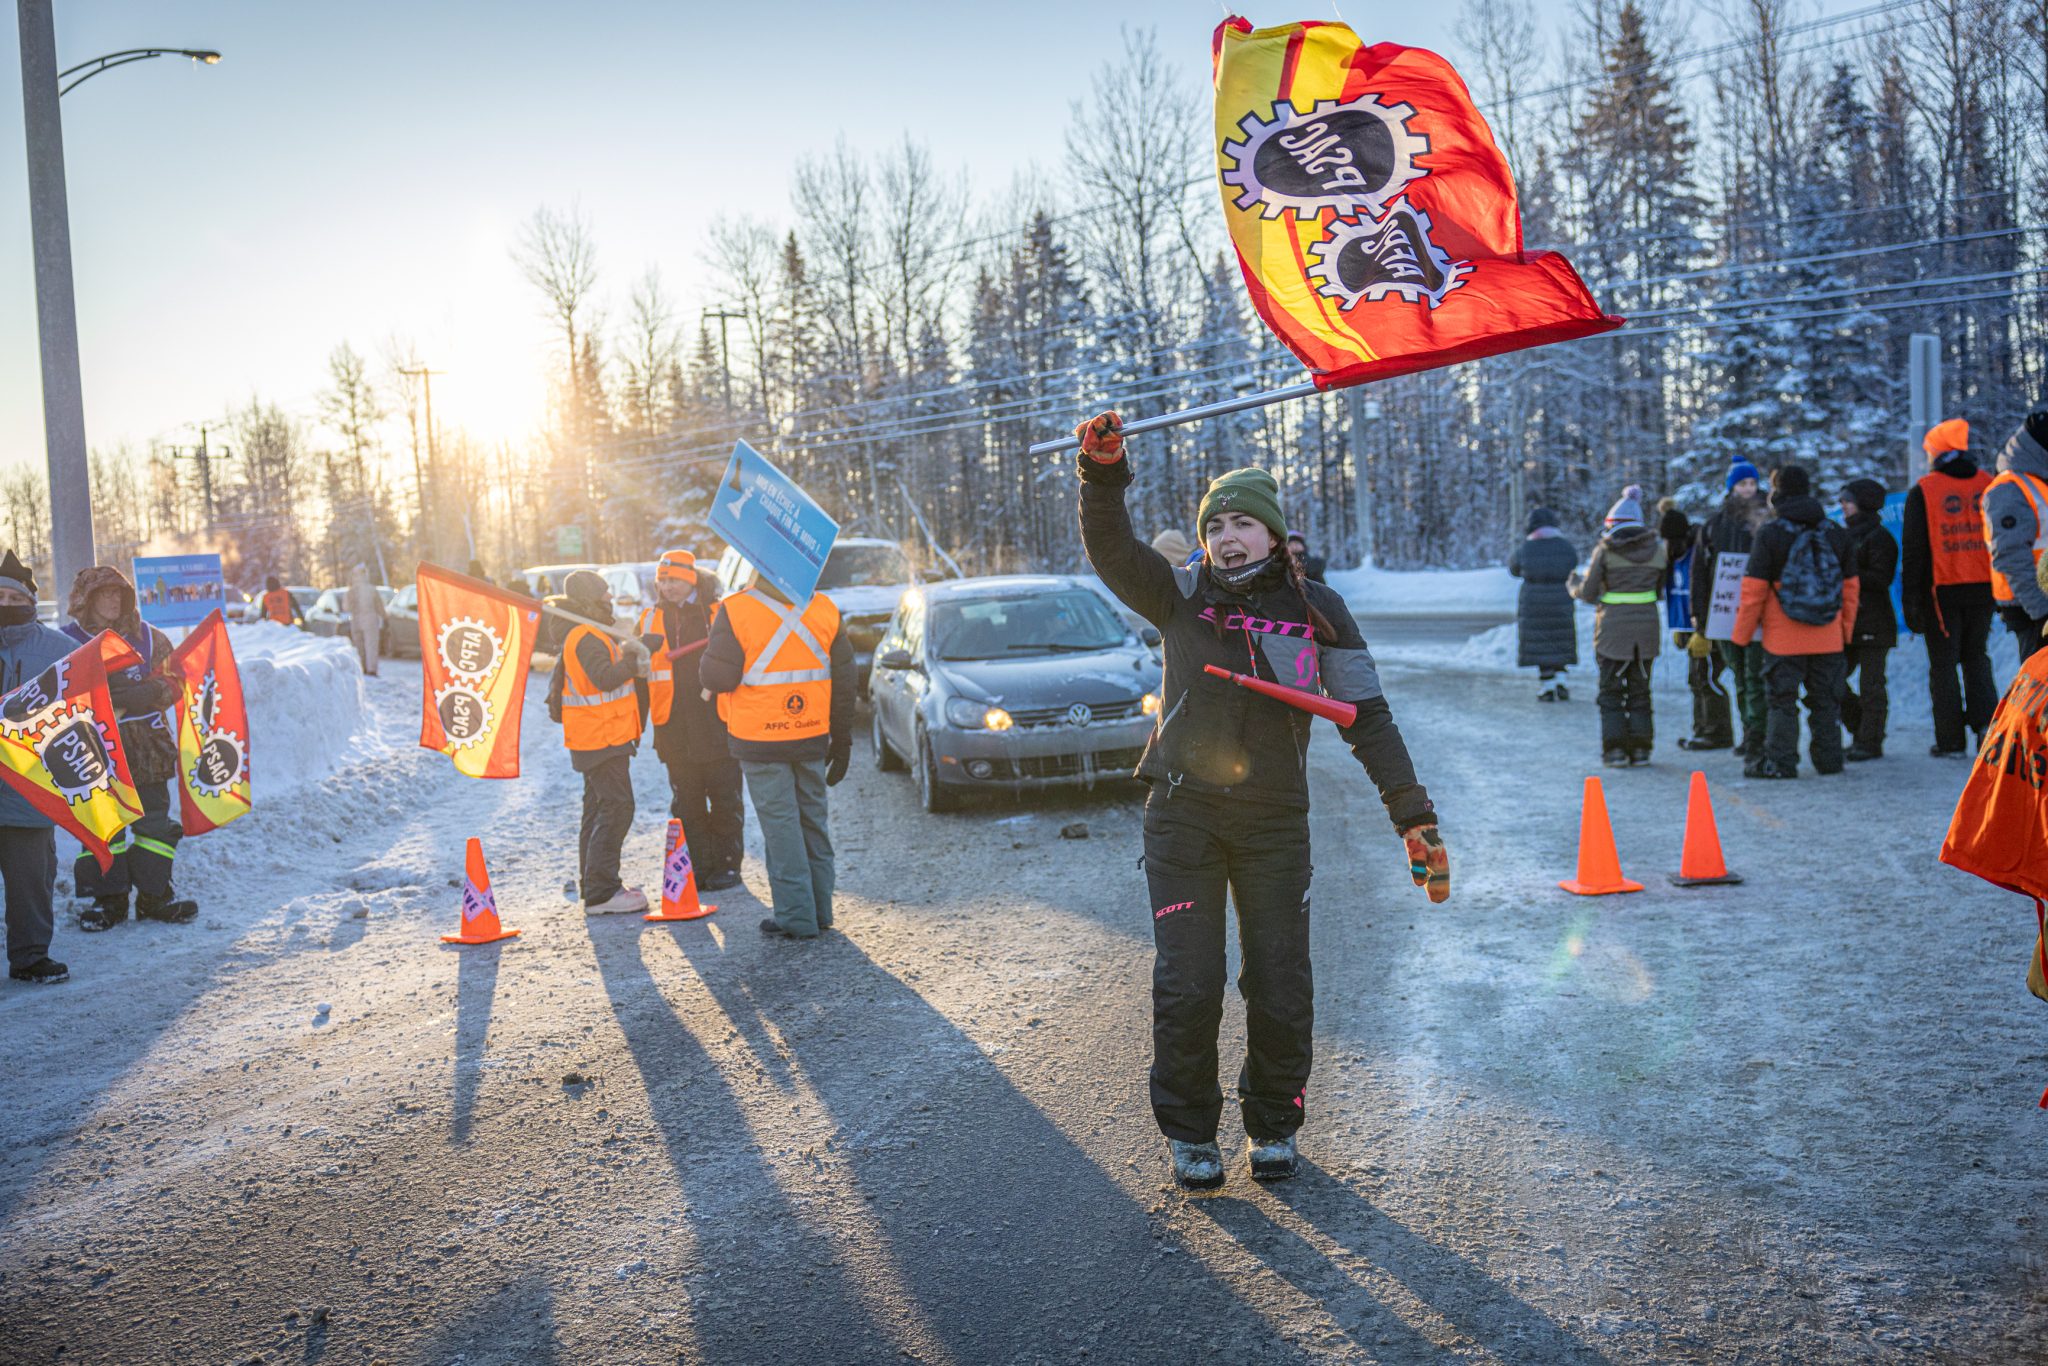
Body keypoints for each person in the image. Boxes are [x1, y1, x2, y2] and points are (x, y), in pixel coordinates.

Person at [1073, 411, 1446, 1189]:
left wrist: (1412, 814)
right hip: (1182, 814)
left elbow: (1367, 717)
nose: (1229, 536)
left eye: (1245, 522)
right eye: (1217, 524)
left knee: (1279, 978)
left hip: (1275, 820)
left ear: (1275, 536)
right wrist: (1103, 475)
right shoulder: (1179, 593)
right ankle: (1190, 1133)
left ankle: (1273, 1124)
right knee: (1189, 979)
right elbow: (1111, 548)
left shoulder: (1317, 611)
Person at [700, 569, 854, 940]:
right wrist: (843, 738)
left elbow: (718, 679)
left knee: (781, 827)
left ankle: (796, 917)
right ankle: (820, 911)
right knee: (813, 822)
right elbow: (846, 678)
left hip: (760, 739)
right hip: (812, 734)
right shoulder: (825, 608)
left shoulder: (736, 609)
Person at [63, 566, 200, 932]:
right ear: (86, 600)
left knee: (154, 827)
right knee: (105, 830)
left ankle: (156, 898)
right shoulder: (67, 642)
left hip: (149, 754)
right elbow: (56, 696)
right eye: (104, 594)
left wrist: (145, 694)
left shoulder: (150, 639)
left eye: (118, 593)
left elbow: (177, 679)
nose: (113, 600)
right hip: (94, 755)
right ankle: (109, 901)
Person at [1731, 465, 1860, 779]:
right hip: (1827, 634)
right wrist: (1844, 632)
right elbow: (1851, 588)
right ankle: (1829, 761)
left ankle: (1782, 762)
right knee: (1825, 701)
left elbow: (1754, 590)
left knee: (1781, 702)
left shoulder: (1772, 533)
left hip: (1783, 637)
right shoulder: (1834, 532)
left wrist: (1742, 634)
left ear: (1778, 494)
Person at [635, 550, 743, 893]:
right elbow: (641, 677)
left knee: (725, 798)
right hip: (673, 728)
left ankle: (727, 866)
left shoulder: (718, 613)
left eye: (675, 580)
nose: (668, 587)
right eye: (662, 581)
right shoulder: (648, 619)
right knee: (687, 802)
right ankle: (697, 863)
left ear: (692, 579)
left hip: (718, 723)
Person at [546, 570, 650, 915]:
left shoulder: (587, 633)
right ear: (591, 597)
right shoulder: (586, 636)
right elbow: (604, 678)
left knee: (597, 809)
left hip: (598, 735)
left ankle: (595, 886)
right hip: (601, 737)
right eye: (605, 592)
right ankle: (603, 891)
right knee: (618, 807)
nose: (610, 597)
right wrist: (637, 659)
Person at [1903, 418, 1998, 757]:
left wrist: (1910, 598)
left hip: (1940, 591)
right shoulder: (1989, 484)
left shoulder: (1925, 490)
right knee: (1977, 657)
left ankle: (1950, 740)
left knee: (1943, 665)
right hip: (1985, 587)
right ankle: (1987, 726)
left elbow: (1913, 551)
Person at [0, 551, 72, 984]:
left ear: (30, 600)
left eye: (13, 597)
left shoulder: (60, 650)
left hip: (30, 790)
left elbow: (88, 702)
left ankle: (29, 958)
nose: (6, 605)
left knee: (31, 884)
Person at [1576, 485, 1665, 767]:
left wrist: (1573, 586)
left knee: (1611, 692)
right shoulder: (1658, 550)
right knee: (1640, 690)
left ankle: (1615, 750)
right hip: (1647, 633)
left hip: (1612, 634)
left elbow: (1589, 593)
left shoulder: (1605, 550)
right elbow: (1661, 589)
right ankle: (1641, 749)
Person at [1690, 461, 1770, 760]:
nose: (1748, 489)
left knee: (1754, 675)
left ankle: (1757, 734)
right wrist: (1699, 612)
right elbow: (1699, 571)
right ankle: (1749, 731)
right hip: (1723, 612)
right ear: (1731, 488)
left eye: (1751, 484)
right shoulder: (1716, 523)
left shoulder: (1766, 518)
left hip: (1758, 611)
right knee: (1738, 673)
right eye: (1742, 485)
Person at [1661, 497, 1733, 750]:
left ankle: (1718, 732)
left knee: (1708, 677)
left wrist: (1705, 631)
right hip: (1691, 627)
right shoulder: (1674, 556)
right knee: (1695, 678)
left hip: (1708, 627)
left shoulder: (1698, 553)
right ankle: (1701, 728)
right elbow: (1679, 596)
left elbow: (1705, 592)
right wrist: (1680, 628)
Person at [1837, 478, 1899, 762]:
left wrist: (1846, 576)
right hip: (1848, 621)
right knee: (1833, 680)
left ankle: (1870, 740)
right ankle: (1861, 729)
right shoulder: (1845, 535)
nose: (1842, 506)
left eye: (1847, 500)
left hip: (1874, 621)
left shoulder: (1878, 537)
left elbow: (1881, 577)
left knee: (1871, 685)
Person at [1984, 411, 2048, 664]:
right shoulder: (2010, 489)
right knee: (2038, 692)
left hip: (2037, 603)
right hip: (2032, 609)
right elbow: (2011, 555)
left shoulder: (2037, 482)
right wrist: (2042, 612)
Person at [1507, 506, 1576, 701]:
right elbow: (1573, 562)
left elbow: (1513, 569)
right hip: (1561, 598)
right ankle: (1562, 680)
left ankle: (1547, 685)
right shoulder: (1565, 546)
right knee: (1560, 640)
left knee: (1541, 643)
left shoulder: (1526, 548)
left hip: (1534, 602)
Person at [345, 563, 384, 678]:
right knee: (371, 644)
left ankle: (362, 668)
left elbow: (346, 607)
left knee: (359, 645)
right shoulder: (371, 589)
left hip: (356, 619)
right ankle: (371, 669)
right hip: (370, 619)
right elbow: (379, 606)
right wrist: (385, 617)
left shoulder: (351, 590)